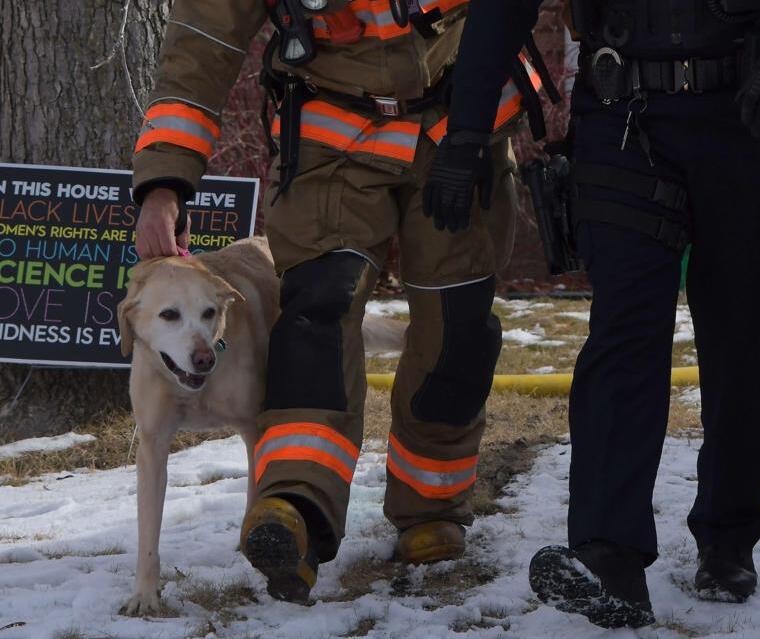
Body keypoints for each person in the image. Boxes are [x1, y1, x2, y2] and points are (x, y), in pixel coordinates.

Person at [424, 0, 760, 629]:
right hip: (624, 113)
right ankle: (608, 556)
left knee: (746, 339)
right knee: (623, 331)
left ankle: (728, 534)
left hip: (753, 108)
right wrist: (464, 133)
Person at [131, 0, 540, 603]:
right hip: (332, 139)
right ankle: (296, 509)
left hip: (460, 127)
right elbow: (201, 41)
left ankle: (430, 506)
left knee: (456, 330)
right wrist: (164, 183)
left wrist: (477, 134)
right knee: (316, 312)